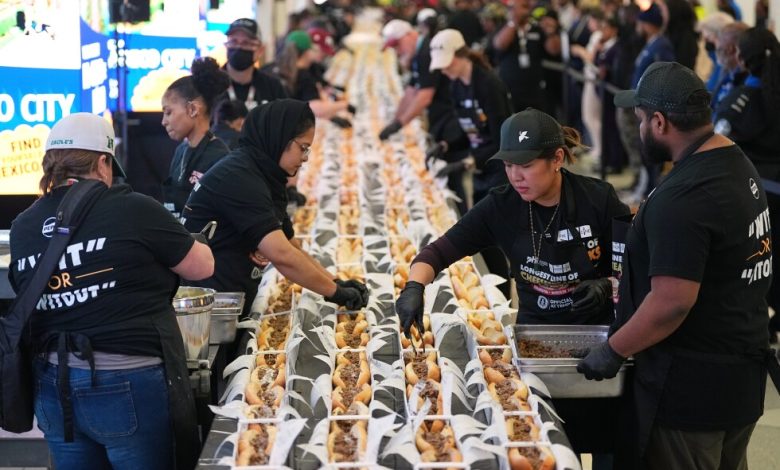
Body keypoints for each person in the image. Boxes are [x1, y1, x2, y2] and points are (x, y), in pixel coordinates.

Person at [396, 108, 631, 462]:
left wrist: (604, 284)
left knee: (605, 442)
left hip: (596, 344)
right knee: (543, 444)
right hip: (535, 349)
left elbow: (630, 268)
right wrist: (414, 288)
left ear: (557, 159)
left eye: (525, 165)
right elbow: (437, 252)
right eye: (508, 165)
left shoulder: (598, 199)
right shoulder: (501, 205)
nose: (515, 176)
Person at [578, 62, 773, 469]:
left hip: (692, 396)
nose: (638, 127)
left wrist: (613, 350)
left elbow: (672, 302)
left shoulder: (684, 196)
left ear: (660, 122)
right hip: (738, 378)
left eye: (640, 119)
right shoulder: (734, 163)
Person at [9, 113, 214, 470]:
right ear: (103, 162)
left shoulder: (24, 226)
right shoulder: (133, 207)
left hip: (53, 384)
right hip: (129, 382)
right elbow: (202, 267)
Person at [182, 100, 368, 316]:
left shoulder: (264, 172)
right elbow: (281, 255)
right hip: (208, 306)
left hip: (228, 298)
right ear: (280, 139)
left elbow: (290, 245)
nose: (305, 158)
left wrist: (336, 281)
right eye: (303, 148)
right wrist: (335, 293)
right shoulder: (239, 177)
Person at [713, 27, 780, 341]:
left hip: (753, 197)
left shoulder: (740, 101)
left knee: (756, 262)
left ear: (741, 56)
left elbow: (718, 145)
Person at [161, 57, 231, 217]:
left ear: (192, 109)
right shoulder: (180, 151)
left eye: (168, 112)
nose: (163, 121)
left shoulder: (221, 158)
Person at [264, 30, 353, 125]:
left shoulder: (268, 68)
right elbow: (315, 109)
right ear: (308, 52)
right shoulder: (303, 75)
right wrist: (344, 105)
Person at [492, 0, 561, 113]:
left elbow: (554, 51)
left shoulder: (537, 27)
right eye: (521, 7)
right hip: (510, 87)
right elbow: (500, 45)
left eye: (526, 6)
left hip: (535, 88)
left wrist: (551, 32)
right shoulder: (505, 26)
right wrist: (514, 22)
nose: (525, 10)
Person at [223, 18, 289, 110]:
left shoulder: (273, 87)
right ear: (226, 45)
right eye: (234, 41)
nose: (239, 47)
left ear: (260, 50)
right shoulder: (210, 84)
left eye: (246, 43)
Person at [710, 22, 748, 111]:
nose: (717, 50)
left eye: (719, 48)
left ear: (731, 49)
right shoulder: (726, 71)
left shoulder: (747, 79)